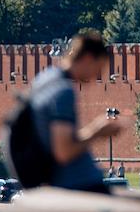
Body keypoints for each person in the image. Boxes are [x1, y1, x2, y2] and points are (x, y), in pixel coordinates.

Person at [31, 31, 123, 193]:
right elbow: (63, 151)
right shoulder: (63, 91)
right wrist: (97, 130)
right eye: (99, 68)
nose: (97, 76)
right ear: (88, 58)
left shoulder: (45, 79)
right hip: (77, 184)